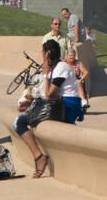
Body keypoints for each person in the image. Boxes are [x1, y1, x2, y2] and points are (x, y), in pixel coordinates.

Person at [12, 41, 88, 177]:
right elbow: (44, 94)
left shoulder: (61, 68)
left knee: (19, 122)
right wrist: (29, 104)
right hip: (57, 105)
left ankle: (39, 157)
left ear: (47, 54)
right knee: (23, 118)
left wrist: (46, 74)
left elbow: (49, 93)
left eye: (43, 53)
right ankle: (40, 157)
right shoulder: (55, 68)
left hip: (66, 106)